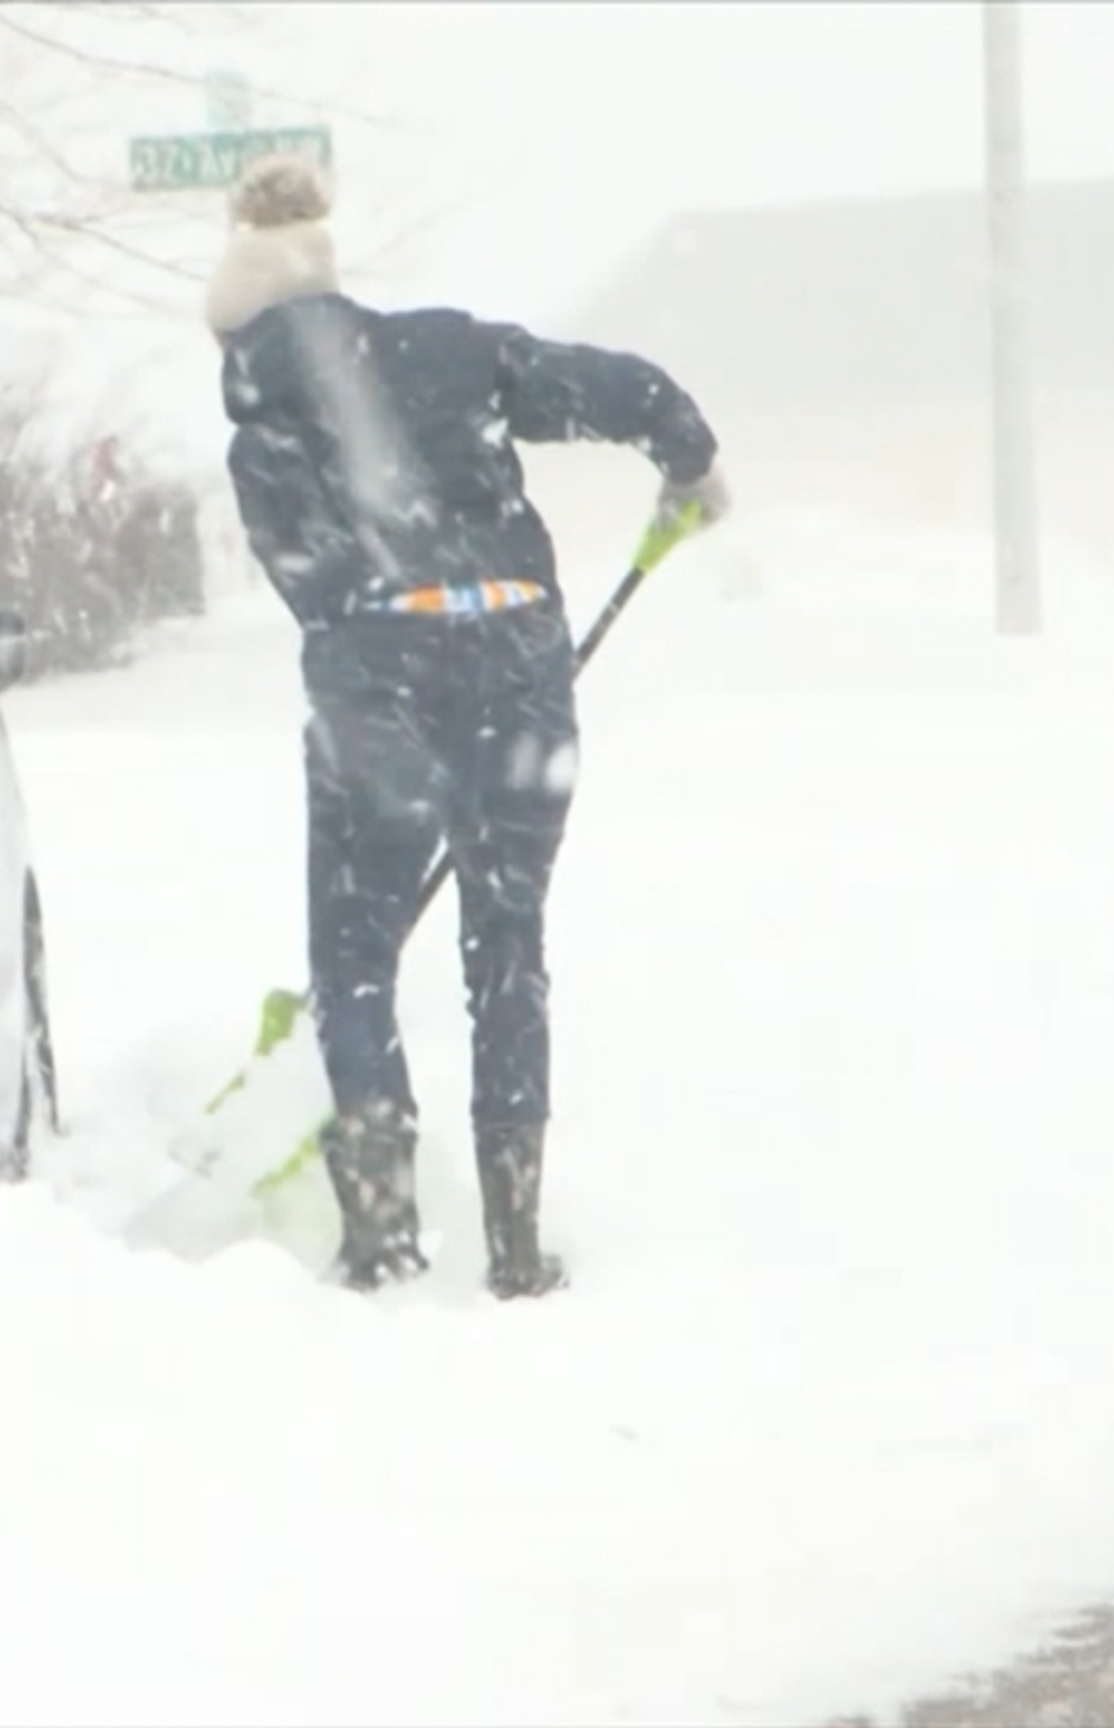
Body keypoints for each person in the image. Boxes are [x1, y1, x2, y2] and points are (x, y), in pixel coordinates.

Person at [206, 152, 729, 1299]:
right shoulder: (450, 349)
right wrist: (688, 464)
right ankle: (516, 1244)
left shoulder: (262, 430)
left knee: (355, 954)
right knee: (507, 943)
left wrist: (396, 654)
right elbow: (632, 391)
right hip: (518, 661)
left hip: (381, 680)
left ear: (240, 327)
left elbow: (314, 592)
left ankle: (383, 1237)